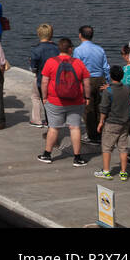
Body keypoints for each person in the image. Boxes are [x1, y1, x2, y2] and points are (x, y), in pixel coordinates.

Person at [38, 37, 91, 166]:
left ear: (59, 49)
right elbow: (87, 83)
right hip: (76, 100)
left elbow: (44, 82)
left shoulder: (51, 62)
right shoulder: (78, 63)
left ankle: (47, 154)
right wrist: (87, 97)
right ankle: (77, 158)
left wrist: (44, 97)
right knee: (75, 128)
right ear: (70, 49)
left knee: (54, 128)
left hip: (55, 101)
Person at [94, 64, 130, 180]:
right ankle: (123, 172)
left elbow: (104, 108)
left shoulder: (108, 92)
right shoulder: (128, 88)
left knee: (107, 147)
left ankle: (106, 171)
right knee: (123, 147)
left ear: (110, 76)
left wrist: (101, 122)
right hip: (125, 122)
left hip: (112, 123)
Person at [73, 26, 110, 144]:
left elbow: (76, 68)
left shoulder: (78, 50)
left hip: (86, 80)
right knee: (100, 107)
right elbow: (106, 67)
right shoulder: (100, 49)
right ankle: (100, 132)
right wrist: (108, 82)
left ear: (80, 35)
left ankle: (92, 135)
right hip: (100, 79)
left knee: (88, 109)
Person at [28, 24, 60, 129]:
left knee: (35, 96)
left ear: (39, 34)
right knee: (50, 100)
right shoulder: (57, 48)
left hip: (41, 78)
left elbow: (33, 68)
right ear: (51, 34)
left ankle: (36, 120)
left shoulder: (35, 49)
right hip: (55, 78)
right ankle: (49, 120)